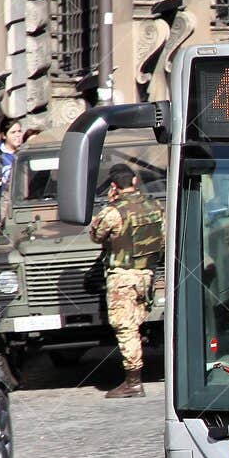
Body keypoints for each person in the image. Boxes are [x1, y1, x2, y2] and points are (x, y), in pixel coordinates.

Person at [88, 167, 164, 398]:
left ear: (113, 186)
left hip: (123, 277)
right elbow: (163, 238)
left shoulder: (113, 212)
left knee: (126, 328)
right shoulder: (155, 206)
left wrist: (110, 203)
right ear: (134, 180)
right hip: (147, 275)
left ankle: (133, 383)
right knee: (138, 323)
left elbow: (95, 235)